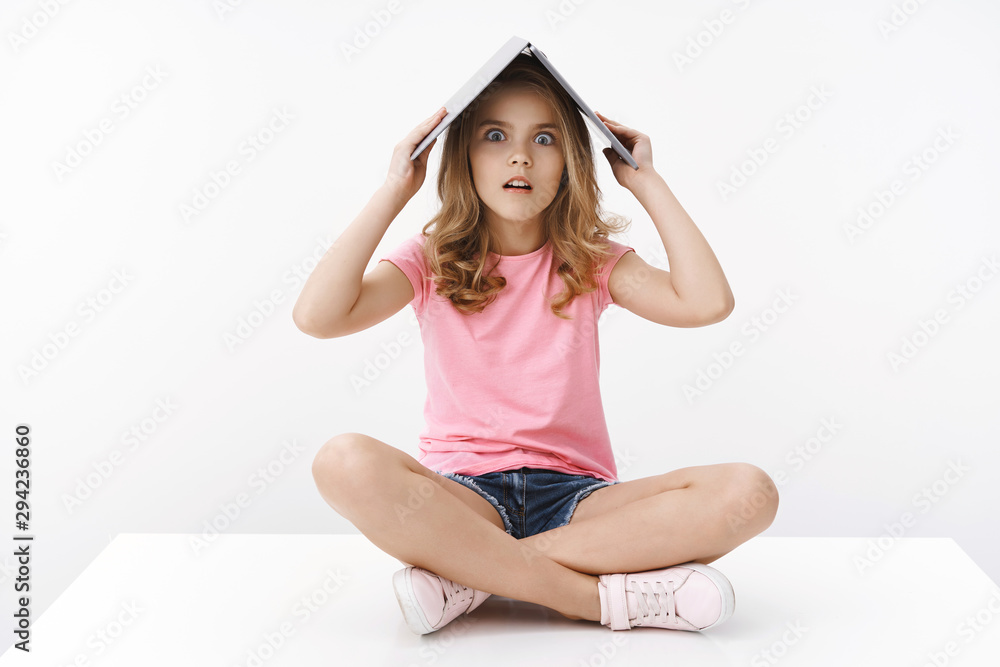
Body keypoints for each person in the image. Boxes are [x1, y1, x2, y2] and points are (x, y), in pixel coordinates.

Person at [294, 53, 778, 635]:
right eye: (495, 135)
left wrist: (646, 181)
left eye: (544, 138)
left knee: (749, 491)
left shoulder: (592, 262)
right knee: (342, 461)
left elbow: (706, 304)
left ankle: (468, 576)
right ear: (463, 159)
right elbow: (318, 317)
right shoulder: (431, 261)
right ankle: (601, 601)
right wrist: (397, 187)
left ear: (570, 164)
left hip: (581, 500)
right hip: (463, 497)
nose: (520, 154)